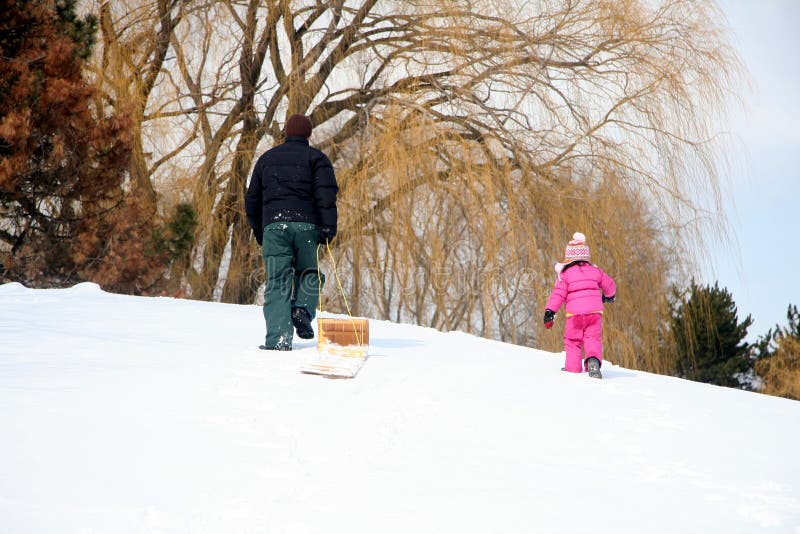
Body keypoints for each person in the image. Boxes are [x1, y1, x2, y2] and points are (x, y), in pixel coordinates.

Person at [245, 114, 338, 350]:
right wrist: (328, 228)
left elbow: (252, 199)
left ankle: (278, 340)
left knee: (277, 282)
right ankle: (302, 309)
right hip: (307, 227)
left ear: (286, 133)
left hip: (275, 227)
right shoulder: (317, 159)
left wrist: (260, 230)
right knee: (309, 272)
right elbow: (326, 196)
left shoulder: (266, 159)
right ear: (309, 135)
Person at [543, 232, 616, 378]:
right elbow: (610, 285)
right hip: (594, 313)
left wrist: (550, 311)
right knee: (592, 338)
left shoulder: (565, 274)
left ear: (569, 257)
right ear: (586, 255)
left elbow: (558, 294)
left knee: (573, 340)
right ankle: (593, 361)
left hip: (574, 315)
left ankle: (573, 368)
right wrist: (609, 296)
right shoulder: (595, 271)